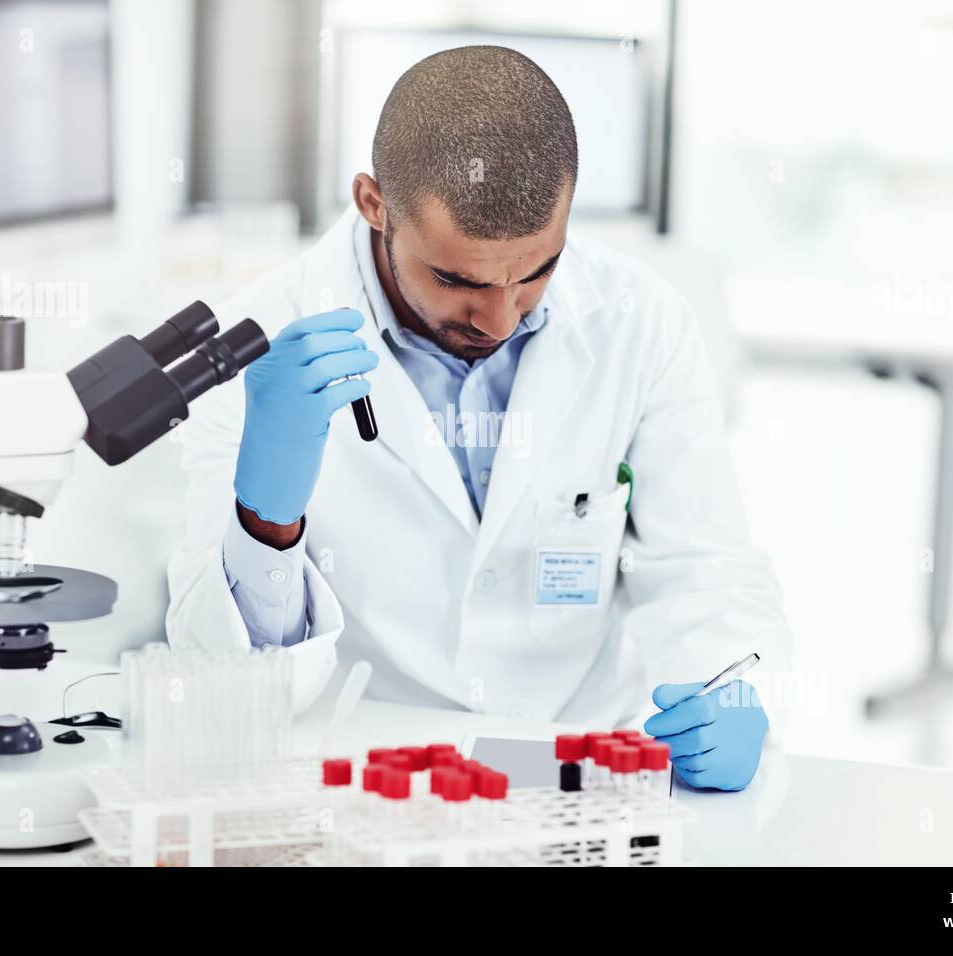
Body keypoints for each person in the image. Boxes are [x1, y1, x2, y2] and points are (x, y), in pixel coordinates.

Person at [167, 46, 791, 791]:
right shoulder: (261, 338)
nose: (499, 317)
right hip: (362, 775)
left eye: (536, 271)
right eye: (458, 278)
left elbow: (703, 569)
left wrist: (727, 686)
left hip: (577, 768)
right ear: (374, 204)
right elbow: (226, 676)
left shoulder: (640, 320)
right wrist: (265, 520)